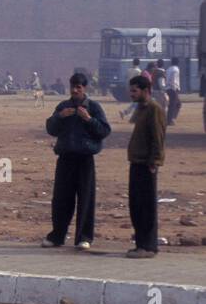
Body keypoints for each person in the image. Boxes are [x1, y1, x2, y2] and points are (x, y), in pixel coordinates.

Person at [42, 73, 111, 250]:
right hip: (65, 158)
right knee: (61, 199)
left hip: (85, 159)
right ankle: (57, 235)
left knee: (86, 199)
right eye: (73, 86)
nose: (75, 90)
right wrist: (60, 117)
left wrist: (88, 119)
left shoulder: (93, 107)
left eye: (78, 87)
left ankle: (84, 237)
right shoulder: (63, 107)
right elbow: (51, 128)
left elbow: (104, 130)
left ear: (85, 88)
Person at [126, 74, 166, 259]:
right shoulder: (141, 109)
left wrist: (155, 161)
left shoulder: (154, 109)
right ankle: (140, 244)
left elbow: (158, 138)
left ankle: (149, 246)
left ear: (145, 91)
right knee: (136, 206)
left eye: (134, 91)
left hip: (147, 165)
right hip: (136, 162)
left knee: (146, 207)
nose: (131, 94)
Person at [165, 57, 182, 126]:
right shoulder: (176, 69)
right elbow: (174, 80)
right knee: (174, 104)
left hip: (168, 88)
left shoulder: (169, 69)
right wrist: (175, 88)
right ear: (177, 62)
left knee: (175, 104)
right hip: (173, 89)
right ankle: (170, 120)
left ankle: (171, 118)